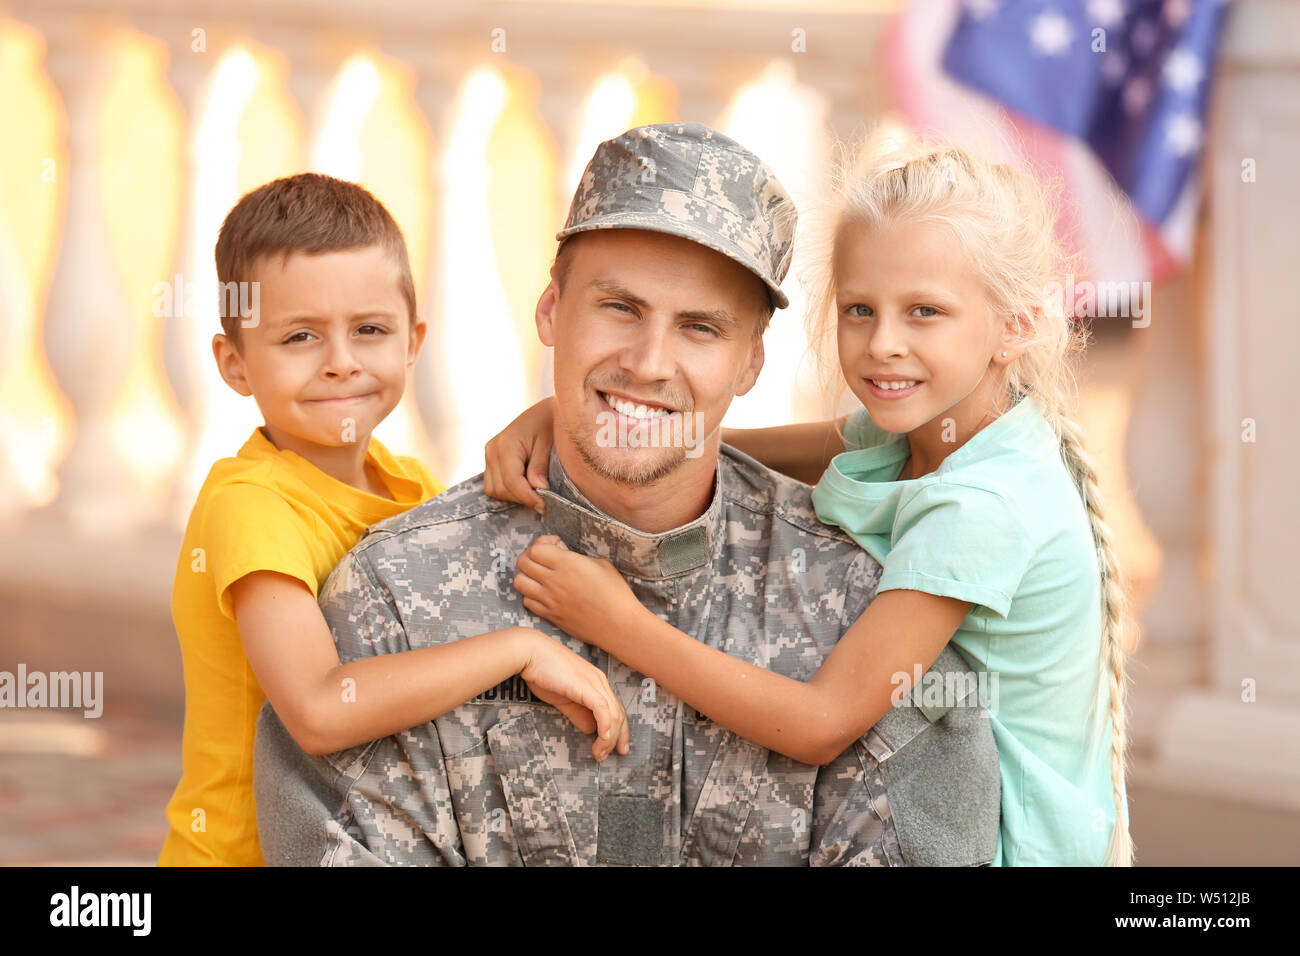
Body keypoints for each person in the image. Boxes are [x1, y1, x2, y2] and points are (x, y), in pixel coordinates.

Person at [253, 123, 1000, 867]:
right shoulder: (395, 604)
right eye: (620, 308)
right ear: (551, 312)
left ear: (749, 364)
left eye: (700, 328)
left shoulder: (857, 606)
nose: (648, 363)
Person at [494, 128, 1133, 866]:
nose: (882, 343)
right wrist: (588, 420)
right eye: (860, 309)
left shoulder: (979, 508)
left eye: (924, 312)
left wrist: (616, 622)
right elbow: (720, 449)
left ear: (1016, 326)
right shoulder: (947, 431)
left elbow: (821, 721)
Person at [159, 174, 628, 868]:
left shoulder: (408, 485)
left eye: (369, 330)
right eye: (299, 337)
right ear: (235, 364)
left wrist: (545, 420)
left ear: (412, 341)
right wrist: (520, 649)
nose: (341, 363)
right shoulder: (251, 506)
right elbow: (320, 711)